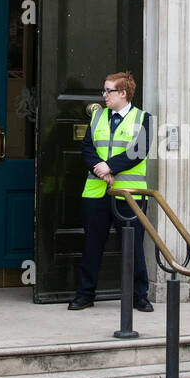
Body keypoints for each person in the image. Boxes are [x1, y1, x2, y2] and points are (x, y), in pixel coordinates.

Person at [69, 71, 153, 312]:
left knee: (134, 246)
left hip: (129, 194)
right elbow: (87, 148)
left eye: (109, 91)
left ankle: (140, 296)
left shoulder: (143, 118)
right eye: (104, 90)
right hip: (96, 192)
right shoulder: (96, 117)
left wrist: (111, 166)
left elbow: (140, 149)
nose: (104, 95)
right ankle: (85, 295)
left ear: (123, 93)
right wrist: (100, 171)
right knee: (92, 245)